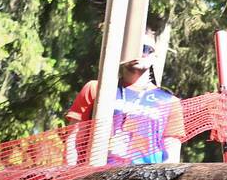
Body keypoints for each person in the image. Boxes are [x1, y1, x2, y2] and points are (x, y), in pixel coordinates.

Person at [64, 28, 185, 165]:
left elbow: (171, 157)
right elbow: (73, 142)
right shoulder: (96, 89)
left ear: (154, 56)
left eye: (145, 49)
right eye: (132, 47)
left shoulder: (170, 102)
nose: (139, 53)